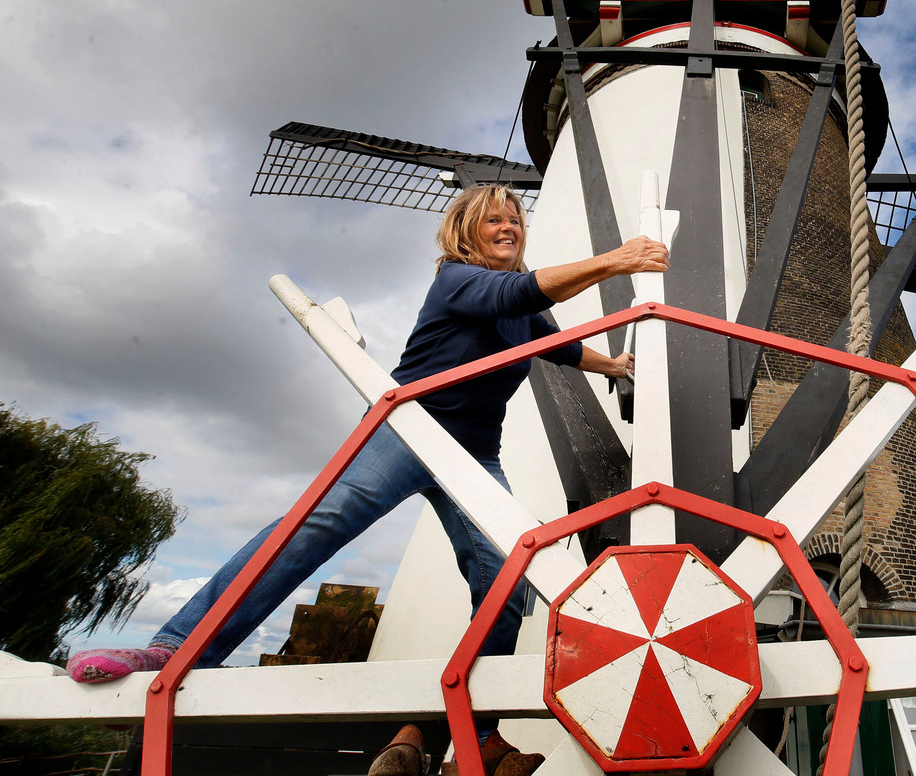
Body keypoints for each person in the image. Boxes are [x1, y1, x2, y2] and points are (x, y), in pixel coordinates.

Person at [68, 184, 669, 773]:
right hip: (408, 432)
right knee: (312, 528)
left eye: (515, 219)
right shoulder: (458, 280)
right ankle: (173, 647)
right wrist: (618, 260)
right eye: (493, 220)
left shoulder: (522, 311)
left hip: (473, 458)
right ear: (467, 232)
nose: (508, 227)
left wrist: (612, 362)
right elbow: (512, 298)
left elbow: (559, 344)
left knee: (507, 582)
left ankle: (480, 730)